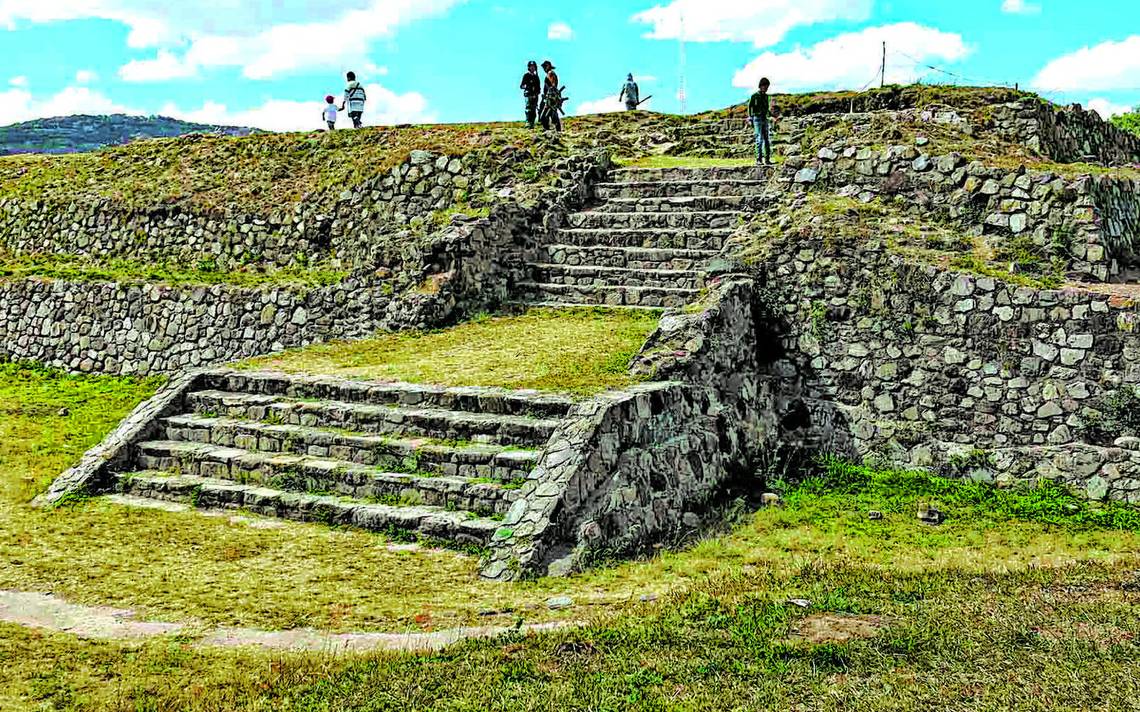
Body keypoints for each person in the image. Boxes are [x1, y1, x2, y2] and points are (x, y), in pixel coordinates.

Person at [749, 77, 776, 165]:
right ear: (761, 86)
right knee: (759, 139)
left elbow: (766, 108)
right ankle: (759, 159)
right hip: (757, 118)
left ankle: (767, 159)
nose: (766, 88)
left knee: (767, 139)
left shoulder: (766, 96)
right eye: (765, 86)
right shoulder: (754, 96)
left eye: (767, 86)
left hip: (764, 118)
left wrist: (771, 115)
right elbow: (750, 107)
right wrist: (751, 118)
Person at [538, 60, 563, 132]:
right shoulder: (550, 73)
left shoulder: (550, 73)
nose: (544, 68)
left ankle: (551, 131)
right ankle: (556, 130)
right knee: (551, 114)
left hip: (550, 98)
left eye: (544, 66)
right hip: (550, 97)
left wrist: (551, 94)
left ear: (548, 66)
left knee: (544, 116)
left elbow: (553, 85)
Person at [521, 61, 542, 129]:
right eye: (531, 66)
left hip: (535, 95)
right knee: (528, 109)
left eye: (533, 67)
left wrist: (536, 93)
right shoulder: (526, 76)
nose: (532, 68)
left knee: (534, 109)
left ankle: (532, 123)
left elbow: (539, 88)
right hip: (528, 94)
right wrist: (527, 86)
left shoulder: (536, 77)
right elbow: (522, 86)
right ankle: (528, 123)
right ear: (529, 67)